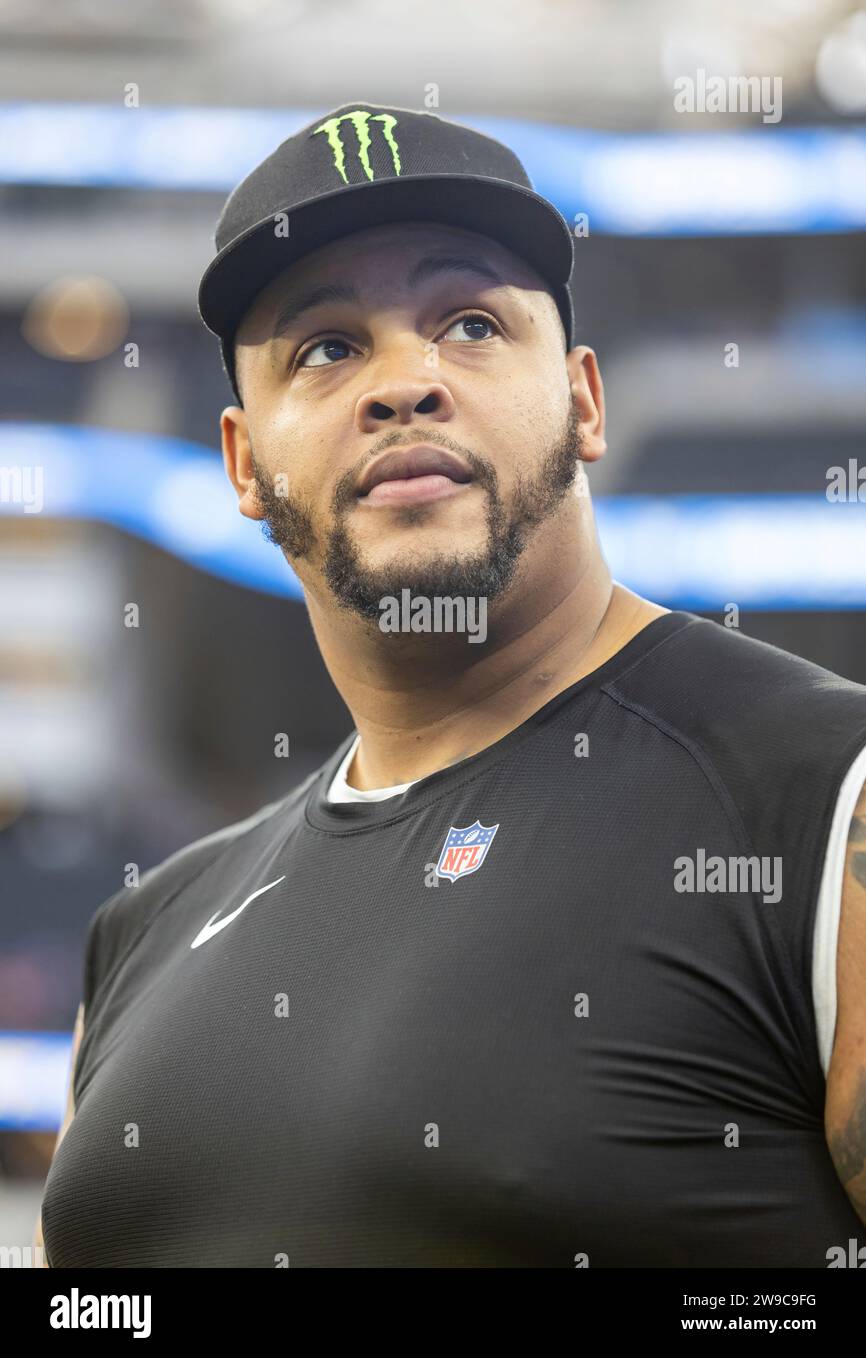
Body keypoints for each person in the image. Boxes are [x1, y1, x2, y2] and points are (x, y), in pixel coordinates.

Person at [37, 102, 866, 1267]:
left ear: (583, 399)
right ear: (241, 462)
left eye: (470, 324)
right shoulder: (141, 935)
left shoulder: (825, 801)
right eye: (324, 346)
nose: (403, 384)